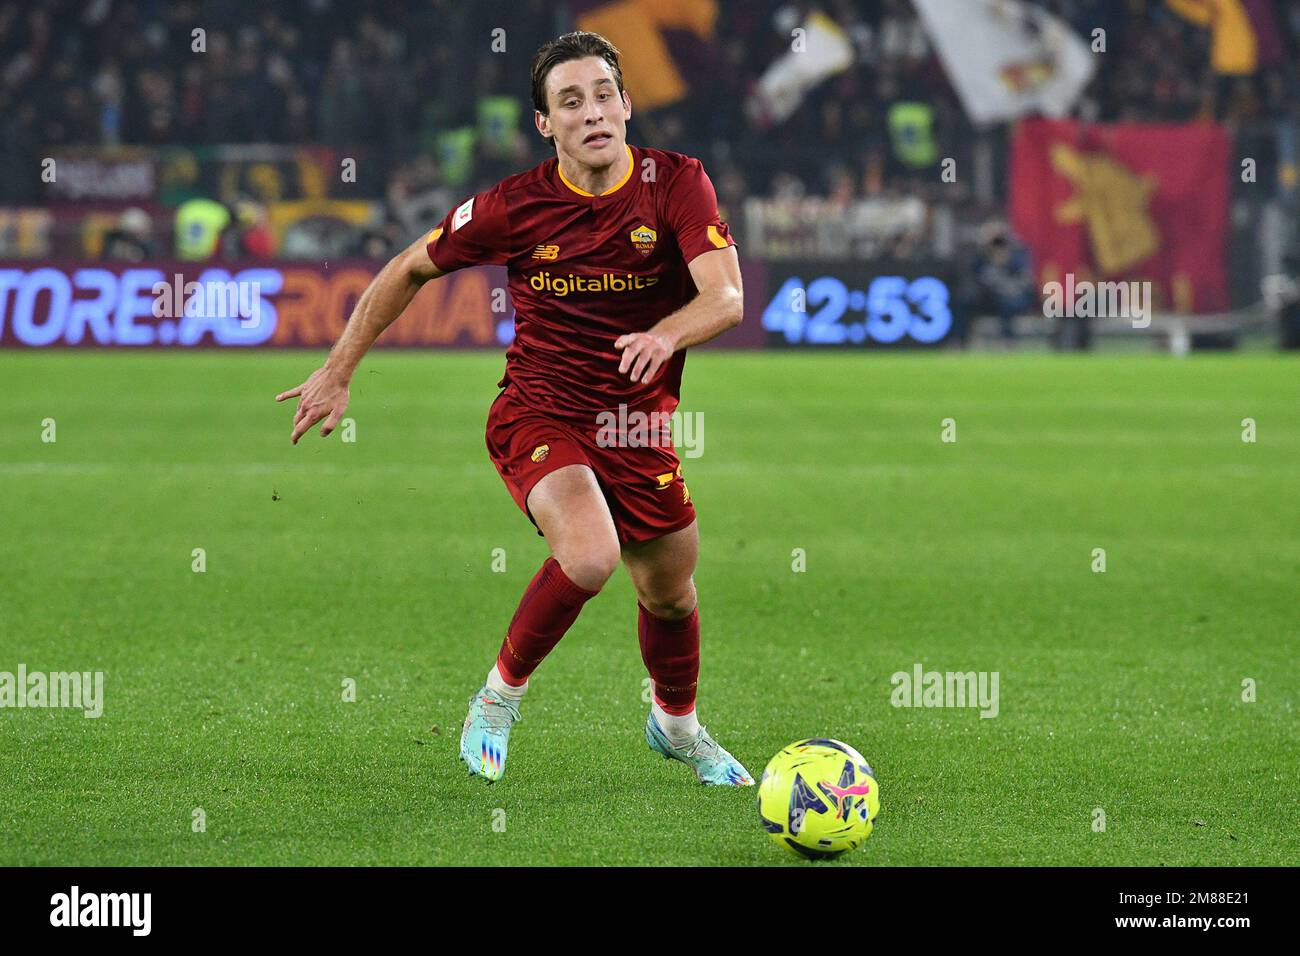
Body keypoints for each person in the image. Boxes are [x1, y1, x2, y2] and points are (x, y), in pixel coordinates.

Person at [276, 32, 752, 787]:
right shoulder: (514, 206)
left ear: (627, 105)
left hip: (636, 425)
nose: (592, 111)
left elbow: (724, 296)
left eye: (603, 94)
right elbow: (409, 267)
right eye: (571, 101)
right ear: (544, 124)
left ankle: (677, 726)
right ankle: (498, 699)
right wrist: (338, 370)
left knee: (671, 590)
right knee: (591, 555)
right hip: (540, 412)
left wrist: (665, 334)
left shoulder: (676, 184)